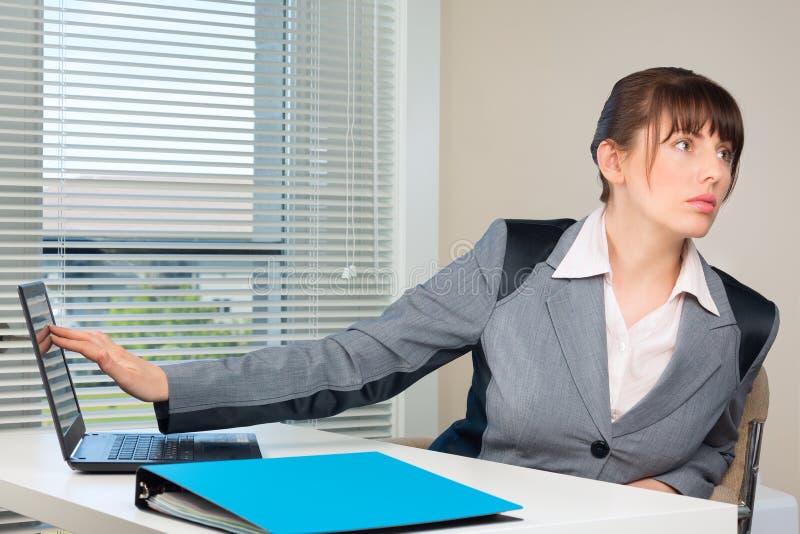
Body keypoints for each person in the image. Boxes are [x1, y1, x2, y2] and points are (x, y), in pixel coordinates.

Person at [49, 67, 779, 499]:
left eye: (726, 151)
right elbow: (360, 359)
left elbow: (716, 445)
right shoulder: (515, 259)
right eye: (684, 144)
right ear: (612, 161)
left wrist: (664, 491)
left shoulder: (744, 320)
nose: (715, 170)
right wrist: (168, 382)